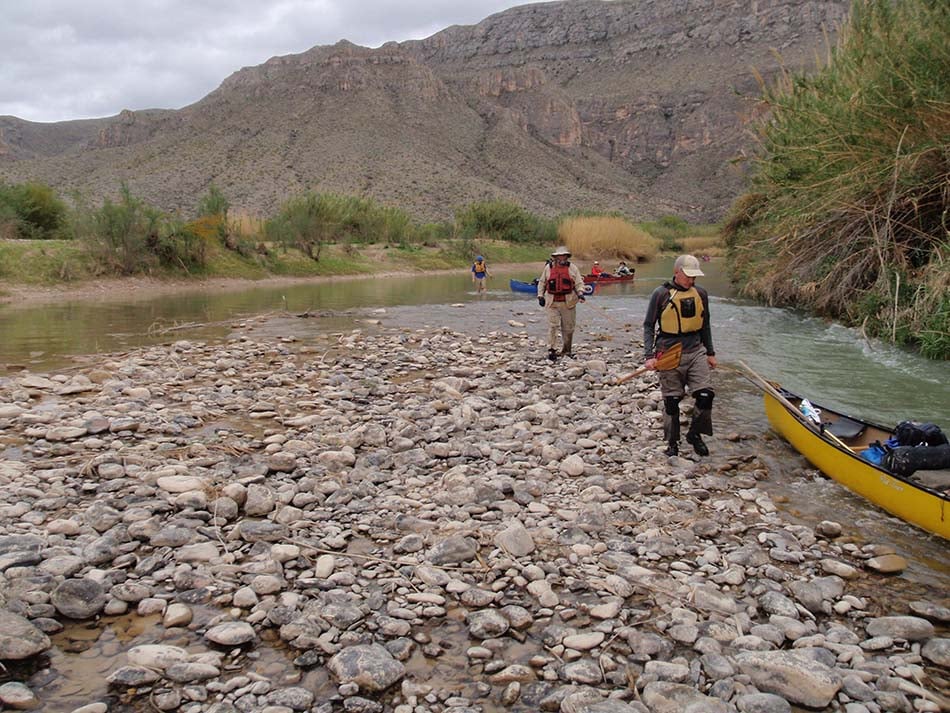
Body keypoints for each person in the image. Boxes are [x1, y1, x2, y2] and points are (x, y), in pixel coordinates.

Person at [643, 254, 717, 456]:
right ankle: (672, 443)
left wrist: (710, 353)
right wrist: (649, 356)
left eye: (694, 277)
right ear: (677, 273)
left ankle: (695, 433)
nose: (692, 280)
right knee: (672, 400)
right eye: (688, 276)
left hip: (695, 350)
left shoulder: (701, 294)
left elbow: (705, 325)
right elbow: (649, 325)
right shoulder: (661, 294)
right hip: (668, 352)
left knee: (705, 394)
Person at [538, 246, 586, 360]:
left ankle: (567, 350)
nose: (562, 258)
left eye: (564, 256)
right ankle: (552, 350)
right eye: (559, 256)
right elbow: (542, 282)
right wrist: (540, 296)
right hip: (552, 302)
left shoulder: (573, 268)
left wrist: (580, 293)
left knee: (568, 328)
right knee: (553, 326)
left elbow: (579, 283)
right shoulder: (548, 268)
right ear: (555, 257)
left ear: (567, 257)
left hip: (568, 302)